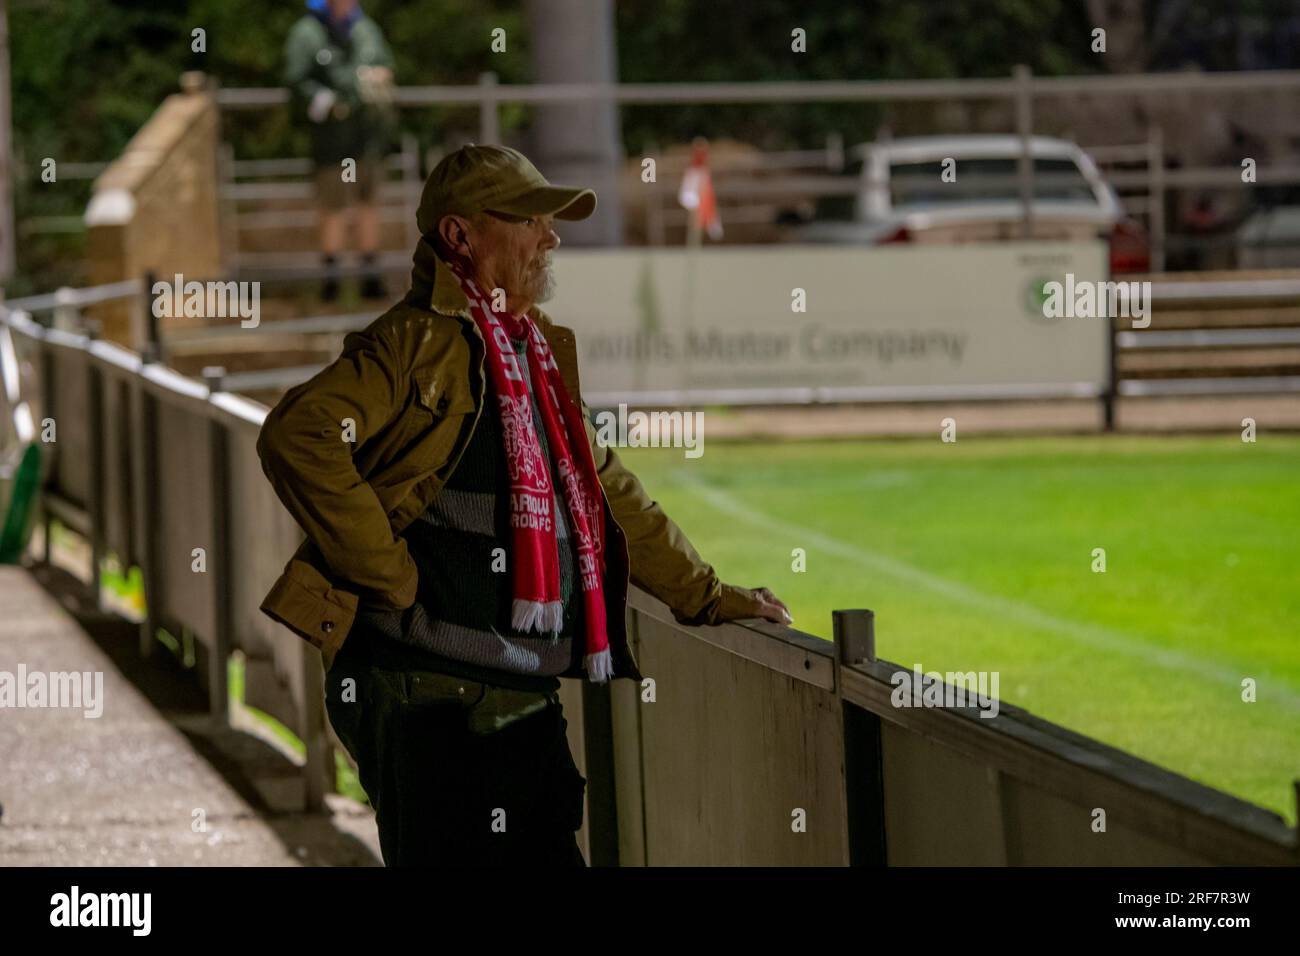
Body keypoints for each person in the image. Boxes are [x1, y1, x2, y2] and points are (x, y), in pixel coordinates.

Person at [255, 144, 793, 866]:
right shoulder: (414, 342)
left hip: (521, 701)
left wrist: (706, 595)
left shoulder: (531, 349)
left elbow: (609, 495)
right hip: (430, 704)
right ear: (460, 236)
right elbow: (300, 434)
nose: (550, 235)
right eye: (528, 218)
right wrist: (386, 574)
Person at [284, 0, 395, 301]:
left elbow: (384, 65)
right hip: (332, 141)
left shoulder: (365, 28)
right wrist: (329, 103)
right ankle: (331, 279)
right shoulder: (307, 32)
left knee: (367, 204)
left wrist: (380, 78)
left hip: (367, 138)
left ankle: (370, 276)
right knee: (333, 207)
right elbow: (297, 81)